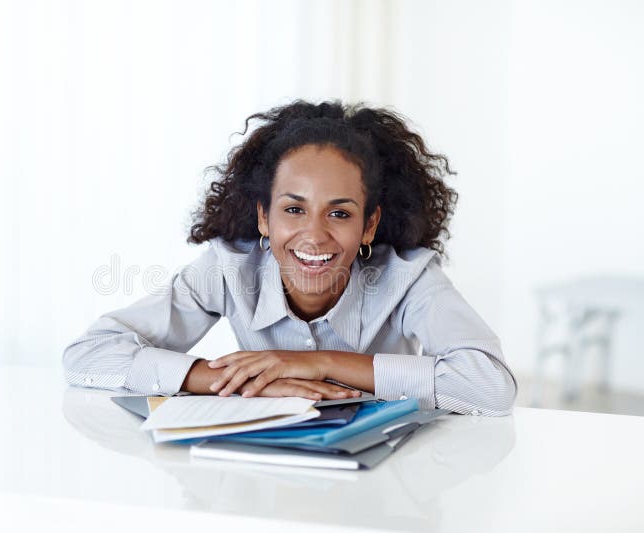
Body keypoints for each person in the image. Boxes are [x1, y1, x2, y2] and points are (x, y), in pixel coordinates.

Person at [63, 100, 517, 416]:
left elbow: (489, 385)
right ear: (264, 216)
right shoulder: (227, 270)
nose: (314, 235)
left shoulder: (410, 278)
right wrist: (222, 379)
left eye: (339, 212)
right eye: (294, 209)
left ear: (370, 224)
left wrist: (319, 364)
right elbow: (88, 355)